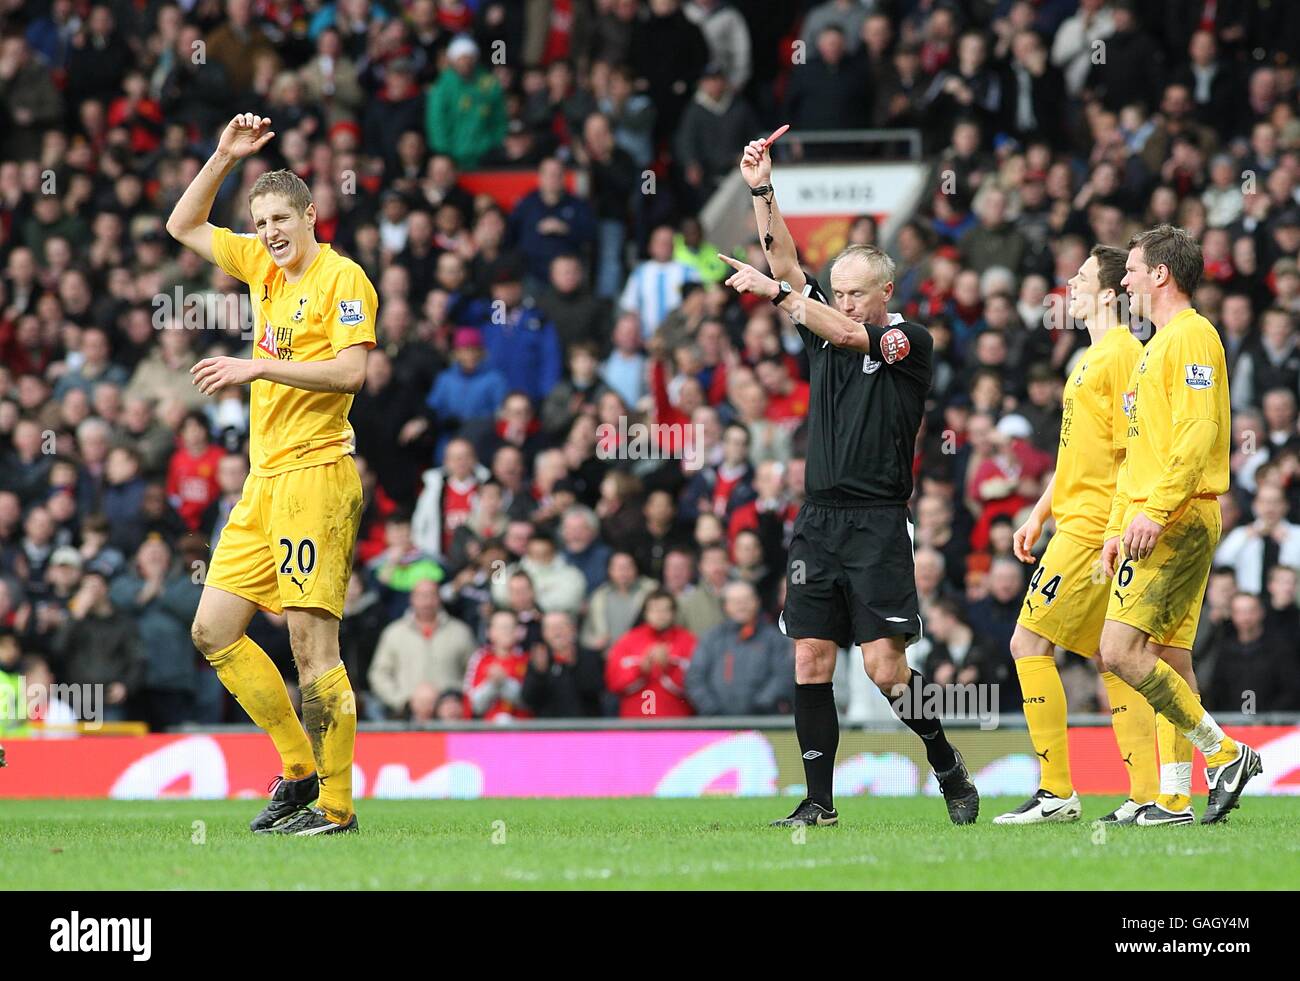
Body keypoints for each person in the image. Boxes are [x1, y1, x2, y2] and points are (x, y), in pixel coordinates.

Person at [723, 136, 978, 827]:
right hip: (819, 519)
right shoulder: (822, 323)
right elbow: (786, 265)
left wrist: (781, 294)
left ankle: (944, 756)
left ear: (885, 292)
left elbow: (837, 328)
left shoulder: (909, 342)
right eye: (835, 292)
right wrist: (761, 191)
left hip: (877, 521)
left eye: (854, 293)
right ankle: (818, 802)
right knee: (809, 656)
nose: (843, 302)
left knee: (884, 671)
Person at [167, 113, 376, 836]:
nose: (269, 232)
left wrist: (258, 364)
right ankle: (298, 768)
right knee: (213, 626)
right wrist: (222, 154)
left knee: (312, 648)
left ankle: (339, 809)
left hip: (317, 477)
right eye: (260, 222)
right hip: (264, 483)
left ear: (311, 215)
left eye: (281, 217)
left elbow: (353, 369)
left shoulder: (343, 278)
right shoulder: (260, 264)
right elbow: (182, 224)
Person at [1099, 224, 1262, 825]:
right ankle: (1172, 798)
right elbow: (1140, 451)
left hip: (1179, 517)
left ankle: (1225, 753)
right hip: (1158, 514)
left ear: (1161, 275)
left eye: (1134, 269)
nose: (1126, 280)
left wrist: (1155, 511)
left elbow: (1196, 437)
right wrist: (1120, 523)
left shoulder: (1193, 338)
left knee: (1118, 651)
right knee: (1168, 656)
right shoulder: (1159, 346)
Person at [997, 245, 1155, 825]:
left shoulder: (1121, 356)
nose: (1071, 282)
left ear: (1110, 292)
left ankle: (1056, 791)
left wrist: (1112, 525)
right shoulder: (1089, 357)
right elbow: (1078, 455)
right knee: (1110, 661)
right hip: (1074, 518)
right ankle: (1144, 794)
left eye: (1083, 276)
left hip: (1093, 529)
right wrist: (1040, 512)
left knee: (1027, 643)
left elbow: (1130, 450)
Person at [685, 581, 793, 715]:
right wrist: (711, 709)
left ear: (757, 602)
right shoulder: (711, 639)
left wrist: (761, 706)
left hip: (764, 722)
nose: (742, 606)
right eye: (735, 601)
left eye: (746, 600)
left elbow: (783, 676)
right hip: (715, 724)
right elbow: (695, 678)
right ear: (725, 606)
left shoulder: (775, 639)